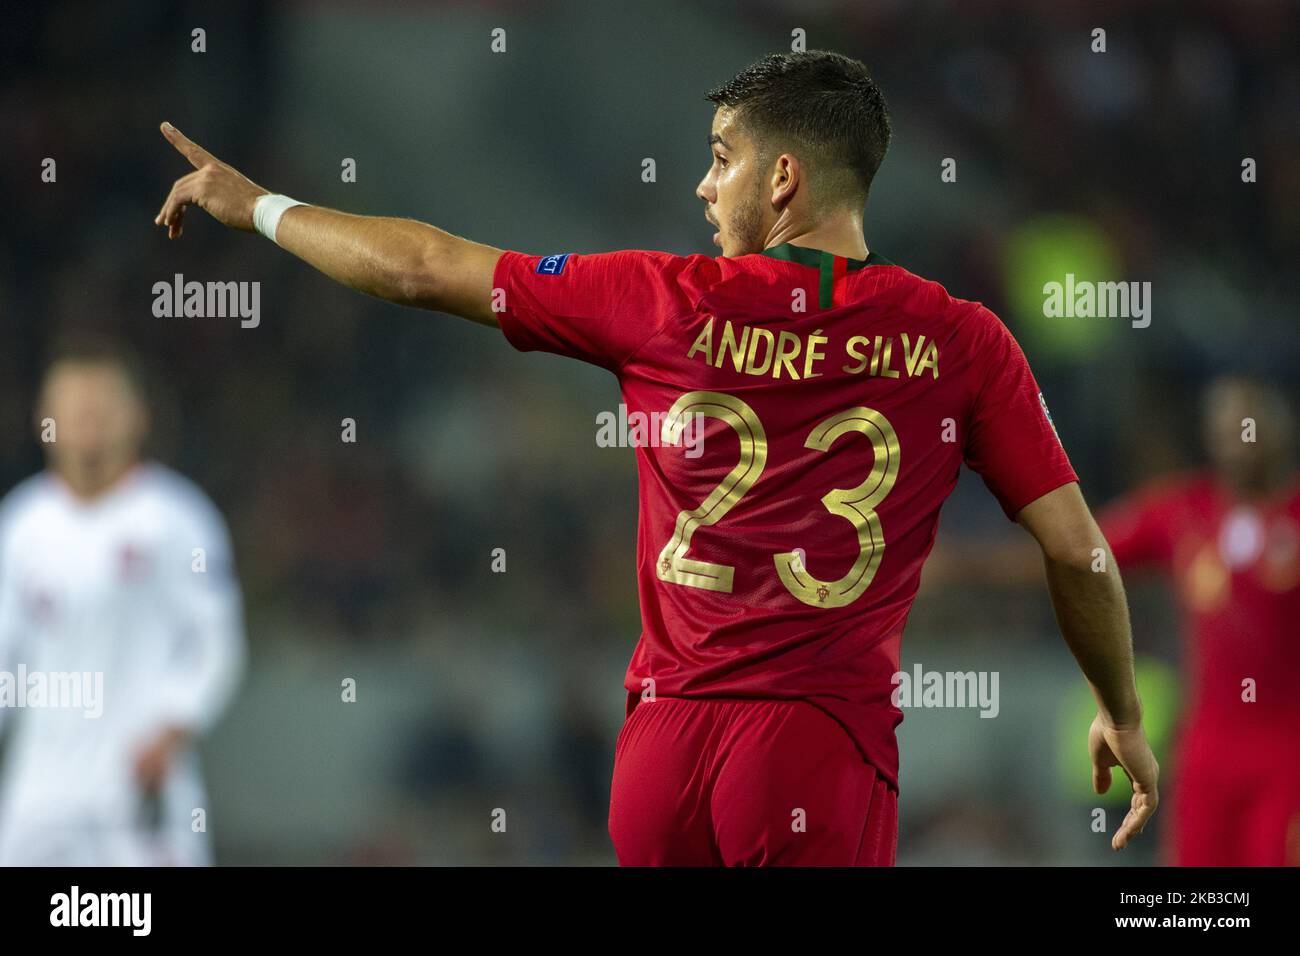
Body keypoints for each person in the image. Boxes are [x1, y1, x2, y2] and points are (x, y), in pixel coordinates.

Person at [152, 50, 1156, 865]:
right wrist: (1117, 706)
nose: (701, 184)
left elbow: (420, 265)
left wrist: (260, 208)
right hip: (810, 750)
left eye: (720, 158)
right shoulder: (959, 339)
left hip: (661, 760)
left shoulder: (655, 295)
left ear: (783, 178)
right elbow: (1076, 553)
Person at [0, 338, 246, 865]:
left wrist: (173, 725)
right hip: (41, 788)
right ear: (45, 418)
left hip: (138, 787)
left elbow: (215, 641)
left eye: (103, 409)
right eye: (73, 409)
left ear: (138, 417)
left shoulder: (177, 520)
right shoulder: (20, 527)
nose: (88, 423)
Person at [1097, 375, 1300, 866]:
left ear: (1281, 432)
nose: (1238, 439)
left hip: (1286, 747)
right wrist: (968, 563)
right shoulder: (1185, 512)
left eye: (1248, 425)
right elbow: (1080, 549)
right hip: (1207, 748)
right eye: (1226, 427)